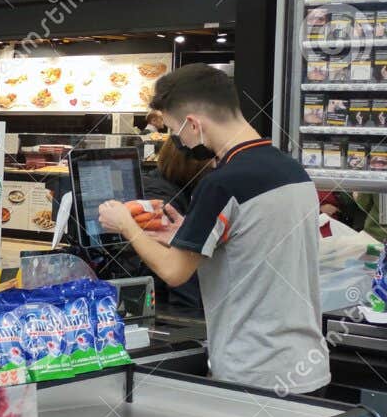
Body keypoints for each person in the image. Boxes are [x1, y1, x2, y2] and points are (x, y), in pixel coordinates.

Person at [97, 64, 328, 394]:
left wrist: (126, 226)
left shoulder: (221, 184)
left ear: (193, 123)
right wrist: (185, 234)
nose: (178, 141)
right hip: (307, 368)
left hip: (253, 373)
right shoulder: (292, 170)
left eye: (176, 130)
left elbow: (174, 272)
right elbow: (252, 243)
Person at [136, 136, 212, 315]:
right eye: (213, 159)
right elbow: (181, 285)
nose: (217, 165)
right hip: (168, 309)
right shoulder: (166, 204)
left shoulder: (168, 192)